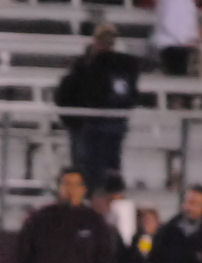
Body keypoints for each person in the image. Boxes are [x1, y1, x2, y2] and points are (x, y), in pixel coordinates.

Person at [55, 24, 140, 194]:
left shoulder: (92, 65)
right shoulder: (121, 64)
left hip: (93, 127)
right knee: (97, 172)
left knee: (97, 173)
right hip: (96, 126)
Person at [153, 0, 199, 76]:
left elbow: (190, 24)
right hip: (172, 45)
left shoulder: (188, 3)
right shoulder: (175, 2)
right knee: (176, 75)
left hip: (181, 45)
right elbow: (169, 23)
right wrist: (185, 40)